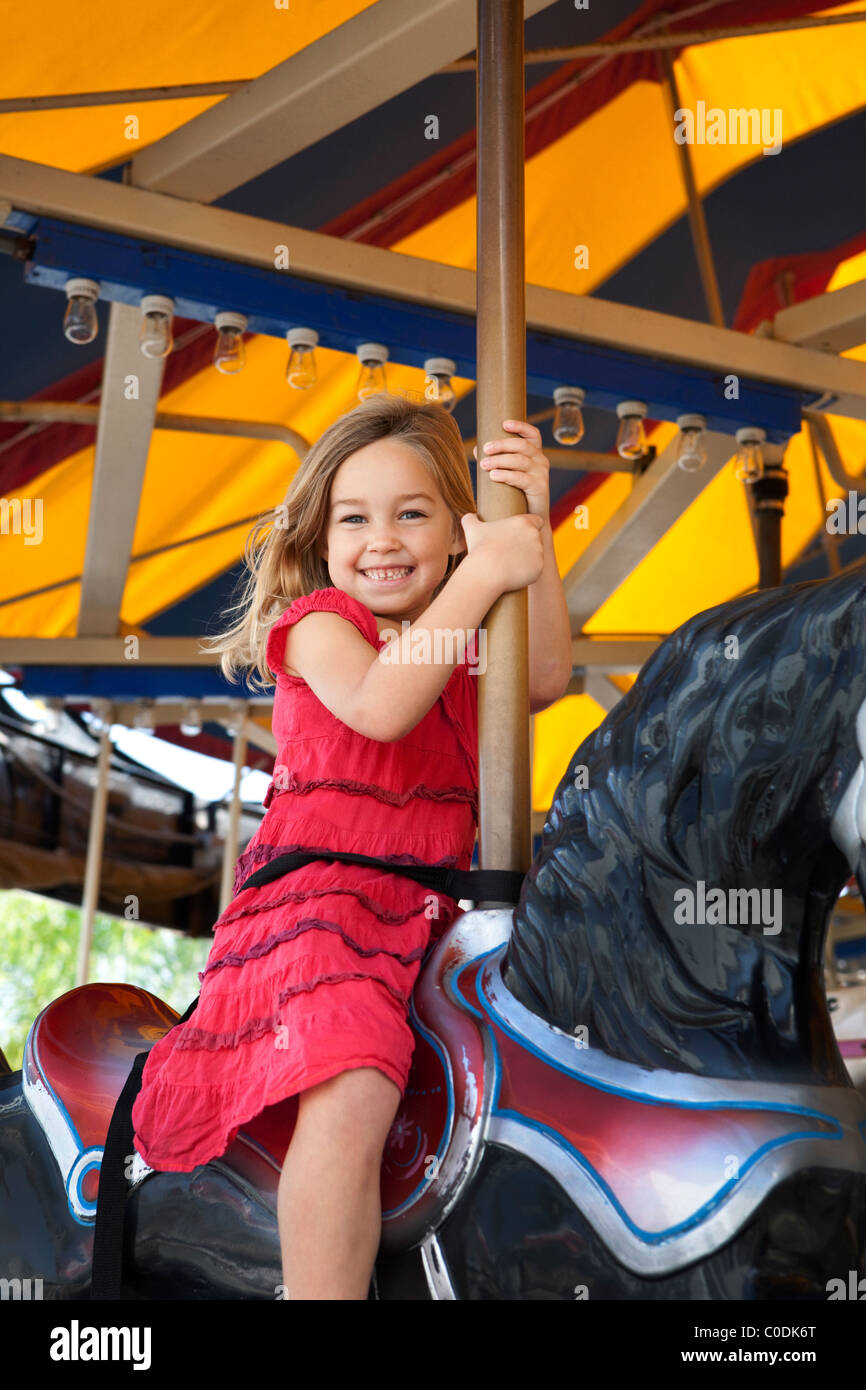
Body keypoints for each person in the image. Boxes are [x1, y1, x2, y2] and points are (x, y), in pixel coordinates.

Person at [131, 392, 572, 1299]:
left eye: (412, 514)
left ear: (455, 529)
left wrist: (532, 528)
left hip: (443, 914)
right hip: (325, 916)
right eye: (355, 517)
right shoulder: (323, 627)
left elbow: (544, 677)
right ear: (321, 541)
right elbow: (381, 706)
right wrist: (486, 574)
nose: (383, 538)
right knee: (358, 1081)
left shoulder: (462, 637)